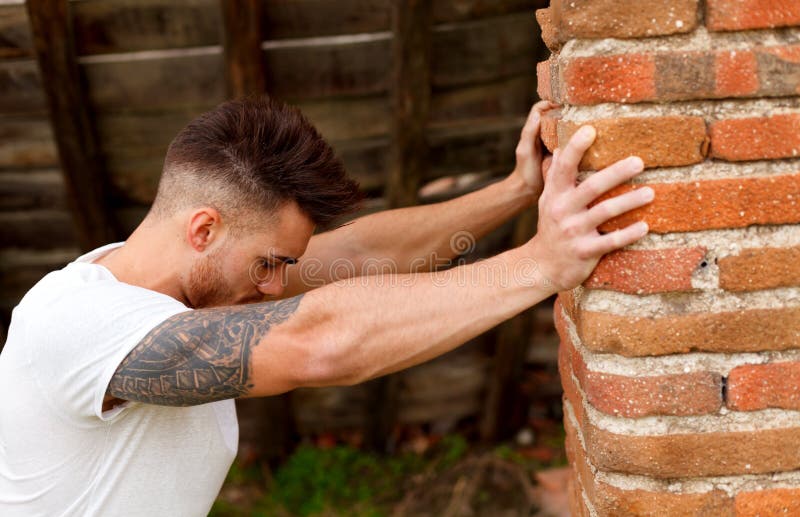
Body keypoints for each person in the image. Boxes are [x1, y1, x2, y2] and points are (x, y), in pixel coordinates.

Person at [0, 96, 652, 516]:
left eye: (282, 266)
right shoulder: (77, 325)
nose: (277, 287)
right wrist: (541, 263)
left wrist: (515, 191)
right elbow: (320, 341)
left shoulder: (174, 275)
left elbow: (360, 254)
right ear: (203, 229)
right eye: (268, 264)